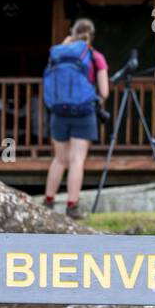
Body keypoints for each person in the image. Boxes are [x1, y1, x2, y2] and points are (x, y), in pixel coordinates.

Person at [43, 18, 109, 219]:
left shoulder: (58, 54)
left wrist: (65, 44)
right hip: (83, 112)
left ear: (72, 32)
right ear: (92, 35)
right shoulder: (95, 57)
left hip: (59, 111)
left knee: (59, 159)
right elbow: (104, 91)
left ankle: (48, 201)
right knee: (76, 160)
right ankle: (72, 207)